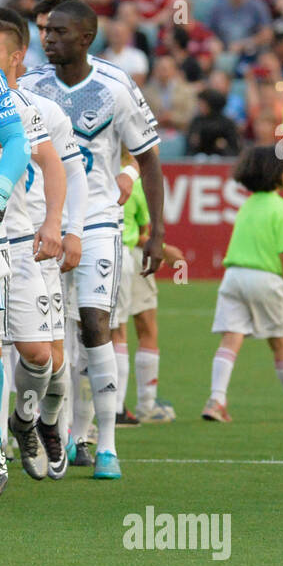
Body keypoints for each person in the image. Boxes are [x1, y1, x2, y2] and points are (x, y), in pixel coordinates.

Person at [20, 0, 165, 481]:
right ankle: (56, 429)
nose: (48, 39)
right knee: (50, 334)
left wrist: (158, 231)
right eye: (45, 32)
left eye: (59, 32)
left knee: (95, 324)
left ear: (86, 38)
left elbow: (148, 159)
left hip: (100, 220)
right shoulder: (30, 86)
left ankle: (106, 445)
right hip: (44, 221)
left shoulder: (115, 86)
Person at [0, 13, 88, 480]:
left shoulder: (41, 111)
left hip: (31, 243)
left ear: (16, 57)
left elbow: (68, 171)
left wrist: (68, 228)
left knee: (47, 357)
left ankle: (34, 420)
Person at [202, 146, 283, 424]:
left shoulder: (247, 204)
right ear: (276, 174)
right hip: (264, 279)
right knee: (280, 343)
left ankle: (216, 399)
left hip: (233, 276)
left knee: (230, 338)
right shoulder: (281, 208)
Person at [111, 178, 185, 423]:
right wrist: (164, 249)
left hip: (98, 252)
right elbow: (140, 233)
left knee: (108, 331)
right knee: (145, 326)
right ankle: (144, 404)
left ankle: (112, 405)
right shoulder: (135, 181)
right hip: (129, 254)